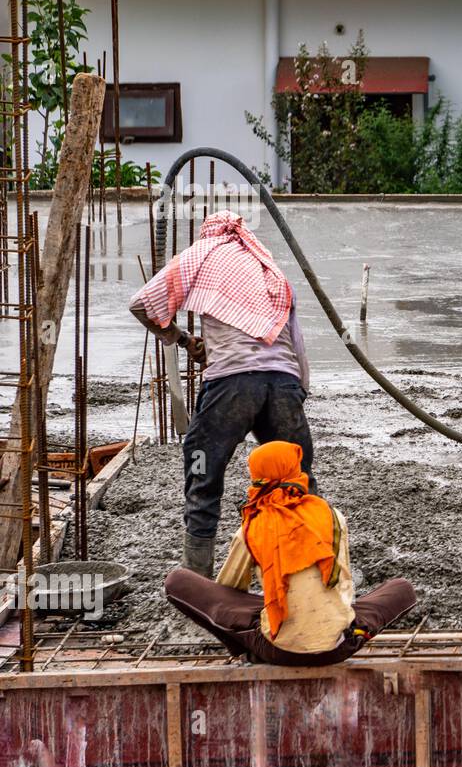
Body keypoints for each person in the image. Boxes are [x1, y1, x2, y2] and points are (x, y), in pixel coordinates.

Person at [130, 209, 314, 578]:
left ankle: (197, 575)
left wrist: (181, 339)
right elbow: (296, 343)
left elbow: (142, 305)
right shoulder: (271, 273)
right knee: (296, 478)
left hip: (231, 386)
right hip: (283, 385)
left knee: (203, 473)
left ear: (208, 236)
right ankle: (308, 568)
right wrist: (297, 397)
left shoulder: (203, 258)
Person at [164, 441, 416, 665]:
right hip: (341, 645)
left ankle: (244, 651)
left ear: (257, 478)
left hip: (277, 650)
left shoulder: (252, 526)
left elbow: (229, 590)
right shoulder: (332, 516)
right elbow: (343, 582)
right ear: (296, 472)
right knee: (402, 589)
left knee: (177, 581)